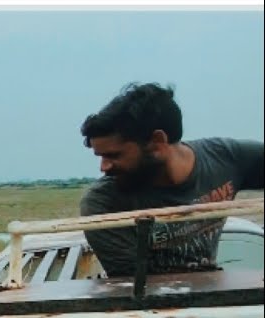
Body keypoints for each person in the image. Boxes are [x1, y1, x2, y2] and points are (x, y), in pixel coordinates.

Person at [78, 82, 264, 277]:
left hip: (210, 287)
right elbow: (134, 288)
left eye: (114, 155)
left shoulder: (226, 158)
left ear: (157, 142)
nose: (103, 167)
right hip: (156, 303)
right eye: (101, 156)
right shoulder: (103, 204)